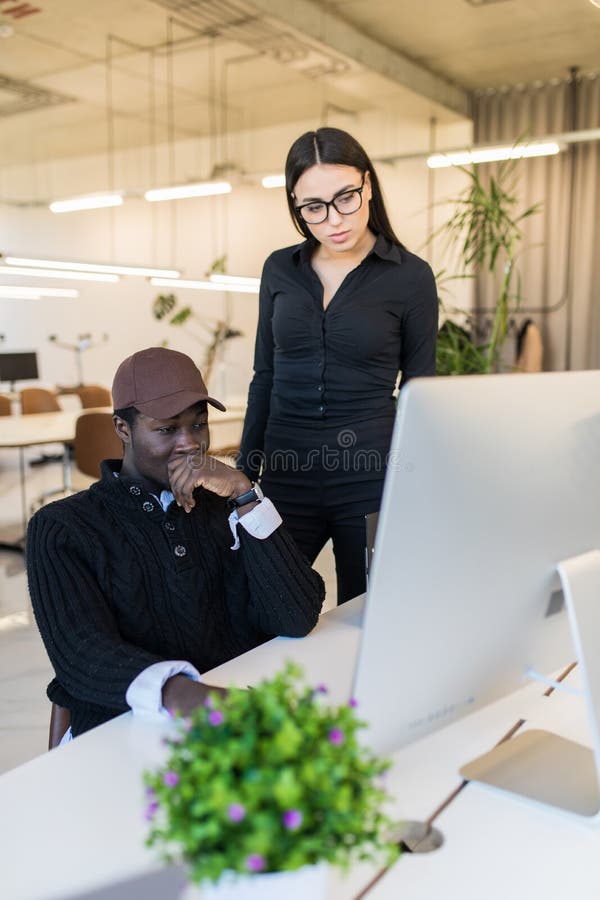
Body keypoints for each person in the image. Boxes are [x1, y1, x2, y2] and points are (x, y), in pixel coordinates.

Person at [27, 347, 324, 739]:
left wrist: (245, 494)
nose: (189, 444)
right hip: (124, 732)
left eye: (199, 425)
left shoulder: (226, 502)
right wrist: (192, 696)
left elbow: (297, 614)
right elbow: (83, 654)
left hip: (235, 713)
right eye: (167, 429)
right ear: (122, 428)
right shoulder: (63, 527)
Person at [238, 127, 438, 605]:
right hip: (287, 471)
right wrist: (247, 469)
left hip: (371, 473)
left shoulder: (410, 277)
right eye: (314, 208)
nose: (333, 220)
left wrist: (419, 481)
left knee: (366, 609)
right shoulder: (279, 270)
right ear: (296, 205)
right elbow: (264, 374)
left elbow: (420, 390)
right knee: (264, 604)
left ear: (368, 184)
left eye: (346, 197)